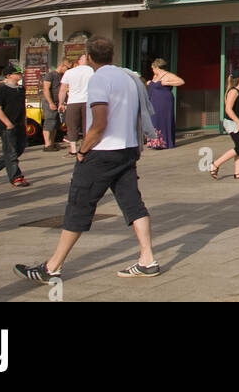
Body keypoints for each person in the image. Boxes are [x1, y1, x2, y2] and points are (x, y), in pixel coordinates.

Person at [15, 35, 159, 283]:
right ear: (111, 55)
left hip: (102, 152)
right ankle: (148, 259)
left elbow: (99, 123)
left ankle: (52, 267)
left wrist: (82, 150)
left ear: (89, 57)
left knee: (79, 205)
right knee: (132, 202)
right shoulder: (128, 77)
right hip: (127, 148)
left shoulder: (99, 80)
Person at [0, 70, 29, 188]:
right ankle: (16, 177)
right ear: (9, 76)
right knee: (11, 152)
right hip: (6, 126)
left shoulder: (21, 89)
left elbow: (22, 107)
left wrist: (24, 122)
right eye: (16, 73)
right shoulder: (2, 90)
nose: (20, 74)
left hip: (19, 124)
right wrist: (8, 124)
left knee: (19, 149)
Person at [210, 74, 239, 180]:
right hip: (233, 123)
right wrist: (238, 122)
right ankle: (215, 164)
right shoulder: (233, 91)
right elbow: (228, 109)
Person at [60, 53, 94, 157]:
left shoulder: (69, 72)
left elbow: (63, 89)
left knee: (72, 126)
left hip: (73, 101)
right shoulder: (92, 71)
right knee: (87, 126)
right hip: (87, 101)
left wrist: (61, 103)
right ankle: (85, 149)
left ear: (78, 61)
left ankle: (73, 150)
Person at [146, 59, 183, 149]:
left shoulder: (168, 75)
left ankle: (164, 143)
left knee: (163, 119)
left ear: (157, 68)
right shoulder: (155, 76)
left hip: (164, 101)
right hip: (154, 100)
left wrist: (167, 83)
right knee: (155, 119)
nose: (152, 70)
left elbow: (181, 81)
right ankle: (155, 143)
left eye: (153, 68)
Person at [41, 61, 68, 151]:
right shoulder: (50, 75)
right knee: (49, 122)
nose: (67, 70)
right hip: (50, 102)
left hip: (58, 102)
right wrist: (50, 102)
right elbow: (46, 89)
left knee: (56, 123)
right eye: (67, 68)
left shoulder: (62, 76)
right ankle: (47, 144)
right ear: (62, 65)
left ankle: (52, 143)